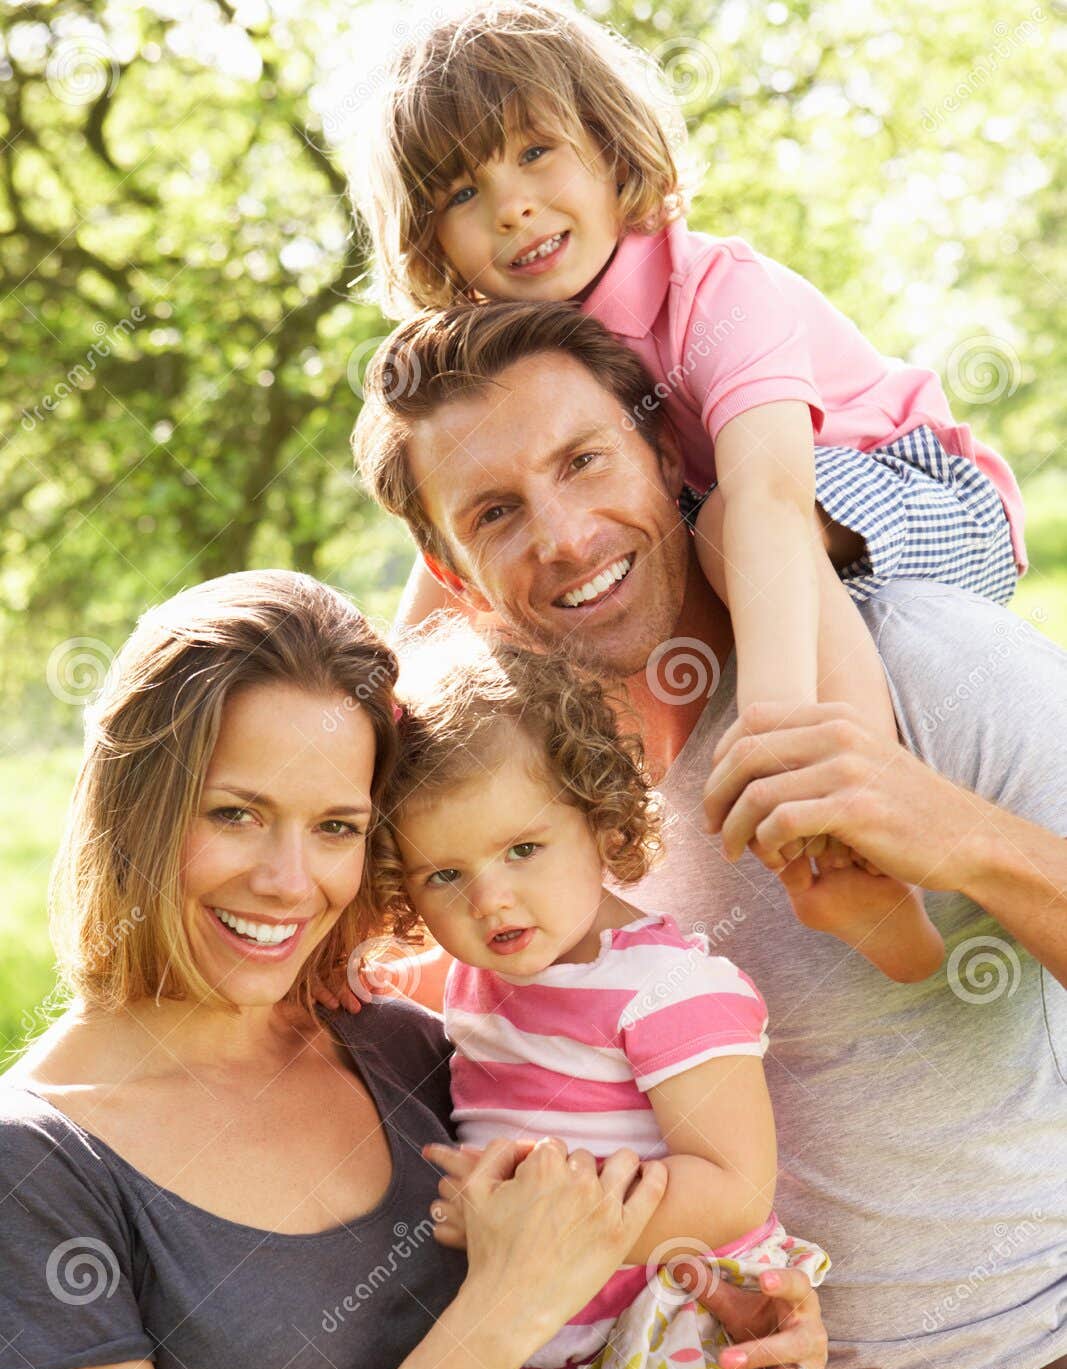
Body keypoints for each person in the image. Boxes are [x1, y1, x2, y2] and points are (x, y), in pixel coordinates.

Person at [351, 299, 1067, 1369]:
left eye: (582, 461)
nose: (564, 535)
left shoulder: (914, 663)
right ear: (450, 572)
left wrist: (956, 837)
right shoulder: (518, 814)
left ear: (663, 455)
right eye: (495, 511)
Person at [0, 569, 825, 1369]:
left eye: (337, 826)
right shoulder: (36, 1168)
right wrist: (498, 1310)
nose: (290, 880)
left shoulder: (395, 1043)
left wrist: (747, 1308)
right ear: (137, 804)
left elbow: (642, 1197)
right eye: (237, 812)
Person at [351, 0, 1031, 983]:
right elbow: (453, 582)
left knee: (715, 524)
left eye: (537, 151)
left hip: (927, 502)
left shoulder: (716, 290)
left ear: (610, 146)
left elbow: (761, 499)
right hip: (764, 521)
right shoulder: (533, 364)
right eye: (464, 190)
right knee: (532, 593)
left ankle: (836, 815)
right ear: (434, 240)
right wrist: (372, 713)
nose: (511, 206)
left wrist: (773, 724)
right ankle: (861, 928)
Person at [374, 622, 829, 1369]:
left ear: (598, 818)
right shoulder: (485, 973)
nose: (491, 899)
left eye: (523, 847)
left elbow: (729, 1188)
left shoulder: (664, 987)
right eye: (442, 875)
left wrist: (533, 1219)